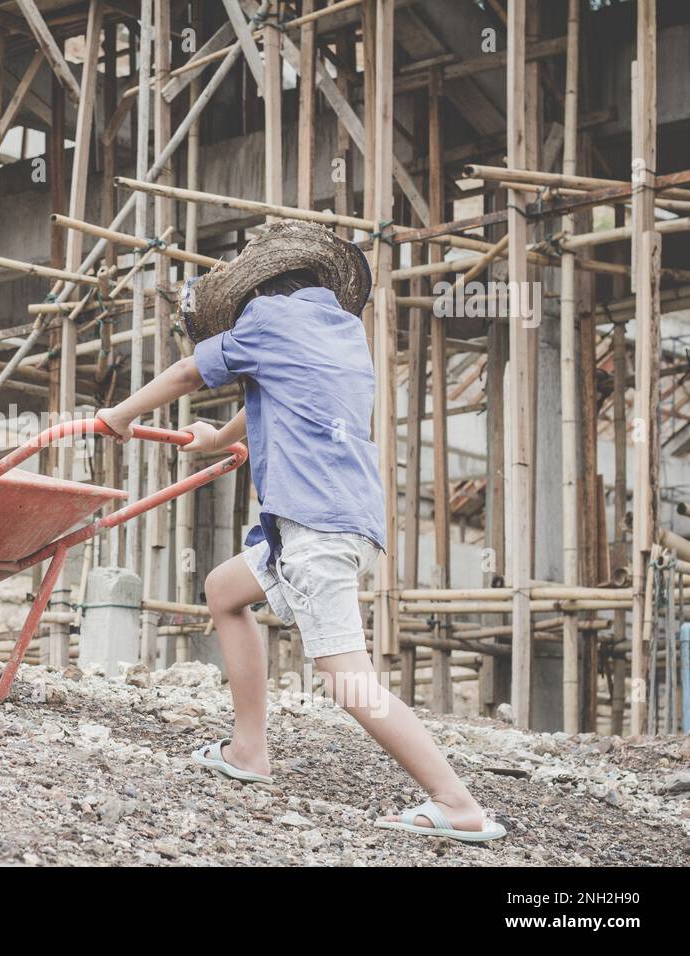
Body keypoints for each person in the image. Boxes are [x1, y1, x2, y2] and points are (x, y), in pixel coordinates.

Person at [95, 220, 506, 842]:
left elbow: (186, 372)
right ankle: (247, 750)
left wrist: (120, 417)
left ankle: (457, 802)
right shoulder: (341, 331)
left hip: (313, 527)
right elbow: (277, 388)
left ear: (260, 292)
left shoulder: (263, 319)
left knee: (346, 679)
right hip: (342, 521)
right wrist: (220, 440)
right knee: (223, 590)